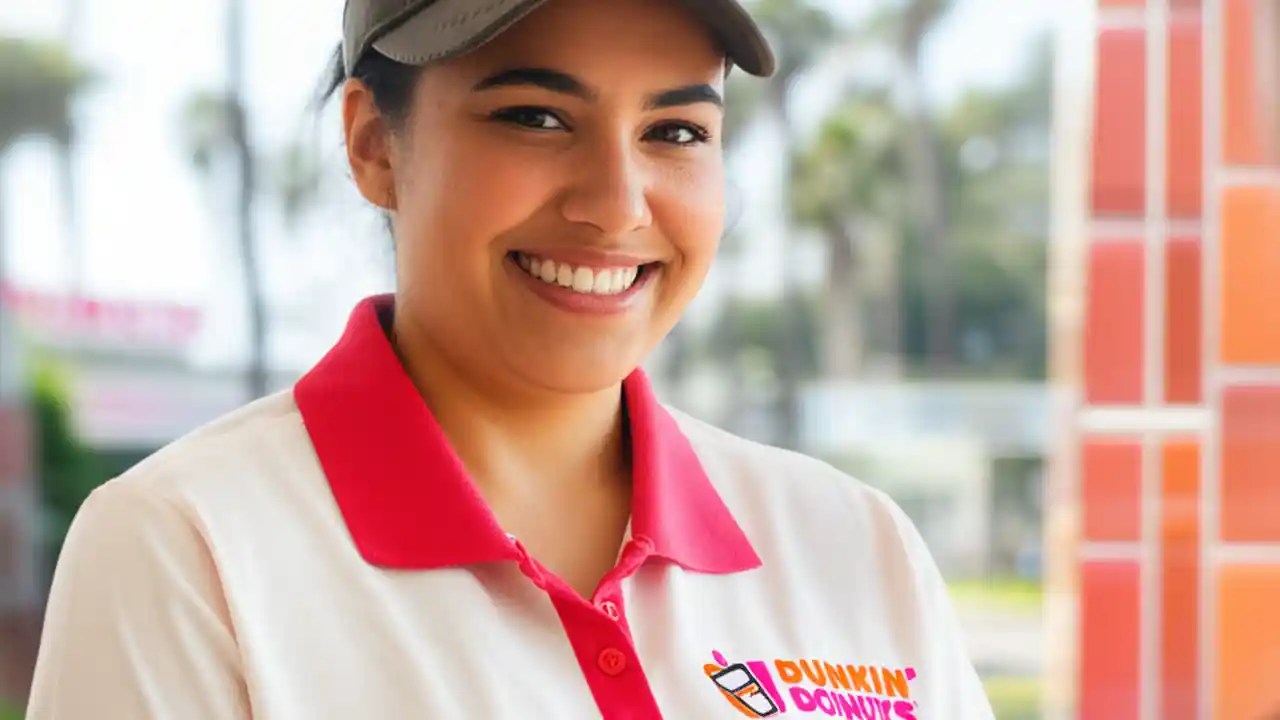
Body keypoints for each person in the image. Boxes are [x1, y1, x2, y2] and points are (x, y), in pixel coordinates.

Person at [27, 0, 993, 717]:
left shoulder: (854, 543)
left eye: (676, 131)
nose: (617, 204)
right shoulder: (189, 547)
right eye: (536, 116)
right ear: (374, 145)